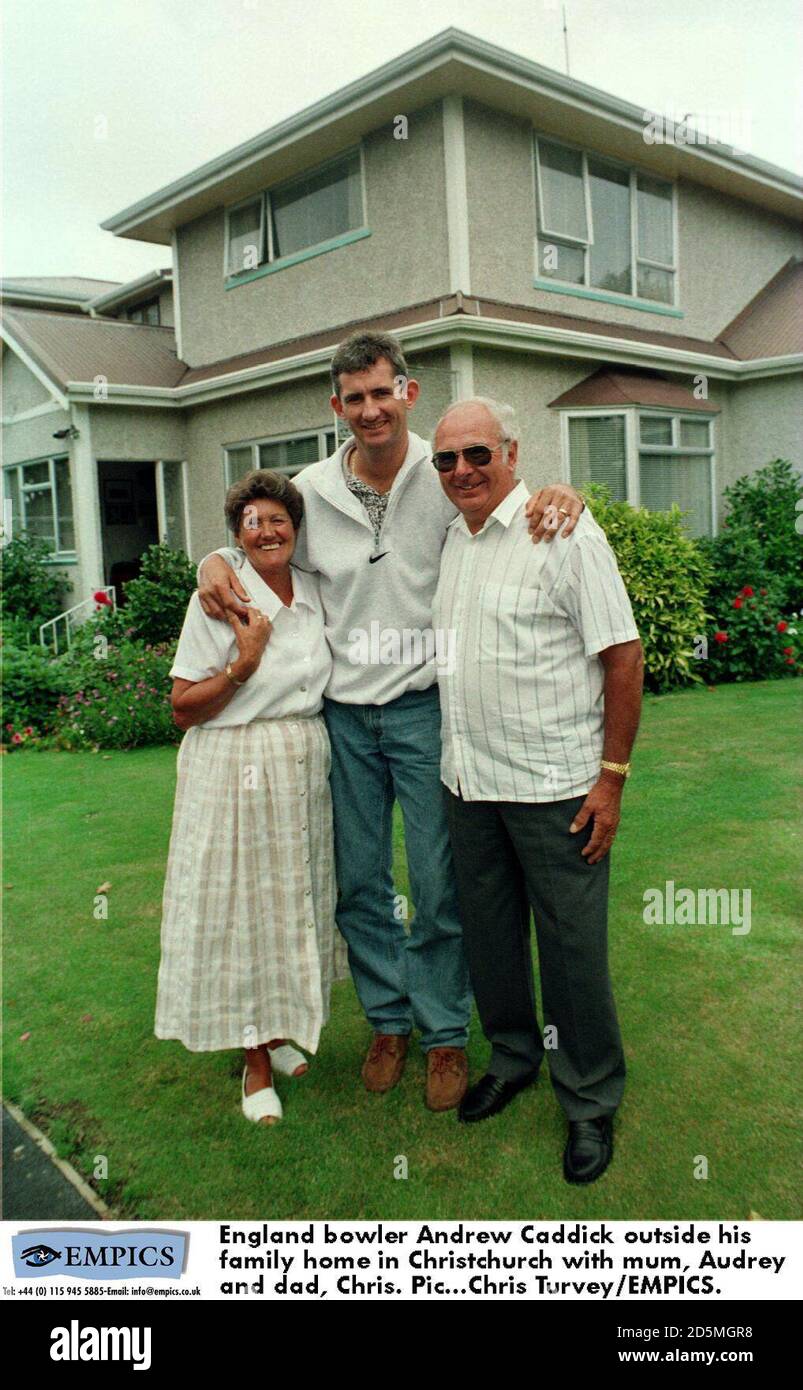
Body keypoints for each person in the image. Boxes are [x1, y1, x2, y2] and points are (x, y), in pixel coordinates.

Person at [197, 331, 584, 1112]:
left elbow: (506, 498)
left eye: (383, 392)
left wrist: (561, 494)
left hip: (424, 709)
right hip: (342, 717)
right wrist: (211, 558)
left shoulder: (443, 471)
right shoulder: (308, 490)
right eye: (354, 397)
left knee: (440, 887)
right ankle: (388, 1021)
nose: (370, 409)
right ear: (334, 406)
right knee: (359, 884)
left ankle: (445, 1034)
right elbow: (258, 542)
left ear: (406, 393)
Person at [432, 397, 643, 1184]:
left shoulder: (563, 532)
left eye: (477, 454)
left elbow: (621, 656)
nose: (461, 471)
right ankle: (515, 1057)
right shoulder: (452, 538)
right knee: (489, 940)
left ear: (512, 454)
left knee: (571, 952)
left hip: (557, 788)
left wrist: (610, 779)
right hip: (469, 782)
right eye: (447, 459)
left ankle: (588, 1100)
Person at [155, 470, 347, 1125]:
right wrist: (242, 660)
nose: (267, 531)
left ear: (295, 528)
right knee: (241, 911)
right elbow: (182, 708)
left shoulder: (315, 589)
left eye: (278, 520)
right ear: (235, 535)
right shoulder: (219, 596)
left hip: (300, 764)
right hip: (234, 765)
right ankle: (253, 1060)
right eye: (251, 523)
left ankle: (276, 1030)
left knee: (288, 906)